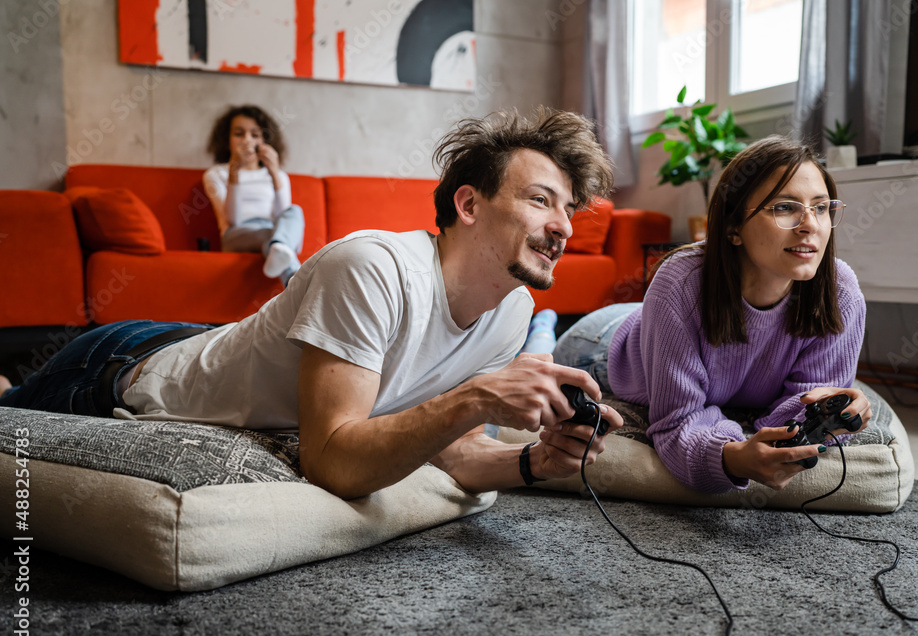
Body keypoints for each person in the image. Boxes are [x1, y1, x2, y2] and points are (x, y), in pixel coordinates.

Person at [0, 107, 624, 500]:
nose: (565, 226)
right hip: (121, 366)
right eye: (542, 200)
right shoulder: (372, 268)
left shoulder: (511, 310)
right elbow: (332, 461)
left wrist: (534, 462)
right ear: (468, 205)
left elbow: (446, 446)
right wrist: (480, 397)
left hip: (233, 347)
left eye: (569, 208)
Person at [553, 135, 872, 494]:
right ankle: (542, 323)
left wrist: (829, 414)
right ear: (734, 228)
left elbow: (803, 406)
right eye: (785, 207)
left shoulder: (840, 291)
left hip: (652, 318)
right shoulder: (680, 281)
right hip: (599, 343)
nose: (810, 224)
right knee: (543, 345)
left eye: (821, 207)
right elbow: (676, 422)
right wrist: (731, 456)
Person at [204, 104, 305, 286]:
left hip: (272, 230)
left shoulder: (279, 175)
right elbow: (233, 220)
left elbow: (283, 214)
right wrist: (235, 170)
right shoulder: (216, 174)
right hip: (236, 235)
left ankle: (288, 271)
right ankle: (292, 273)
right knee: (275, 237)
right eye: (238, 134)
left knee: (294, 211)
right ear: (226, 140)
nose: (247, 140)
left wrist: (274, 172)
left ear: (264, 142)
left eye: (255, 135)